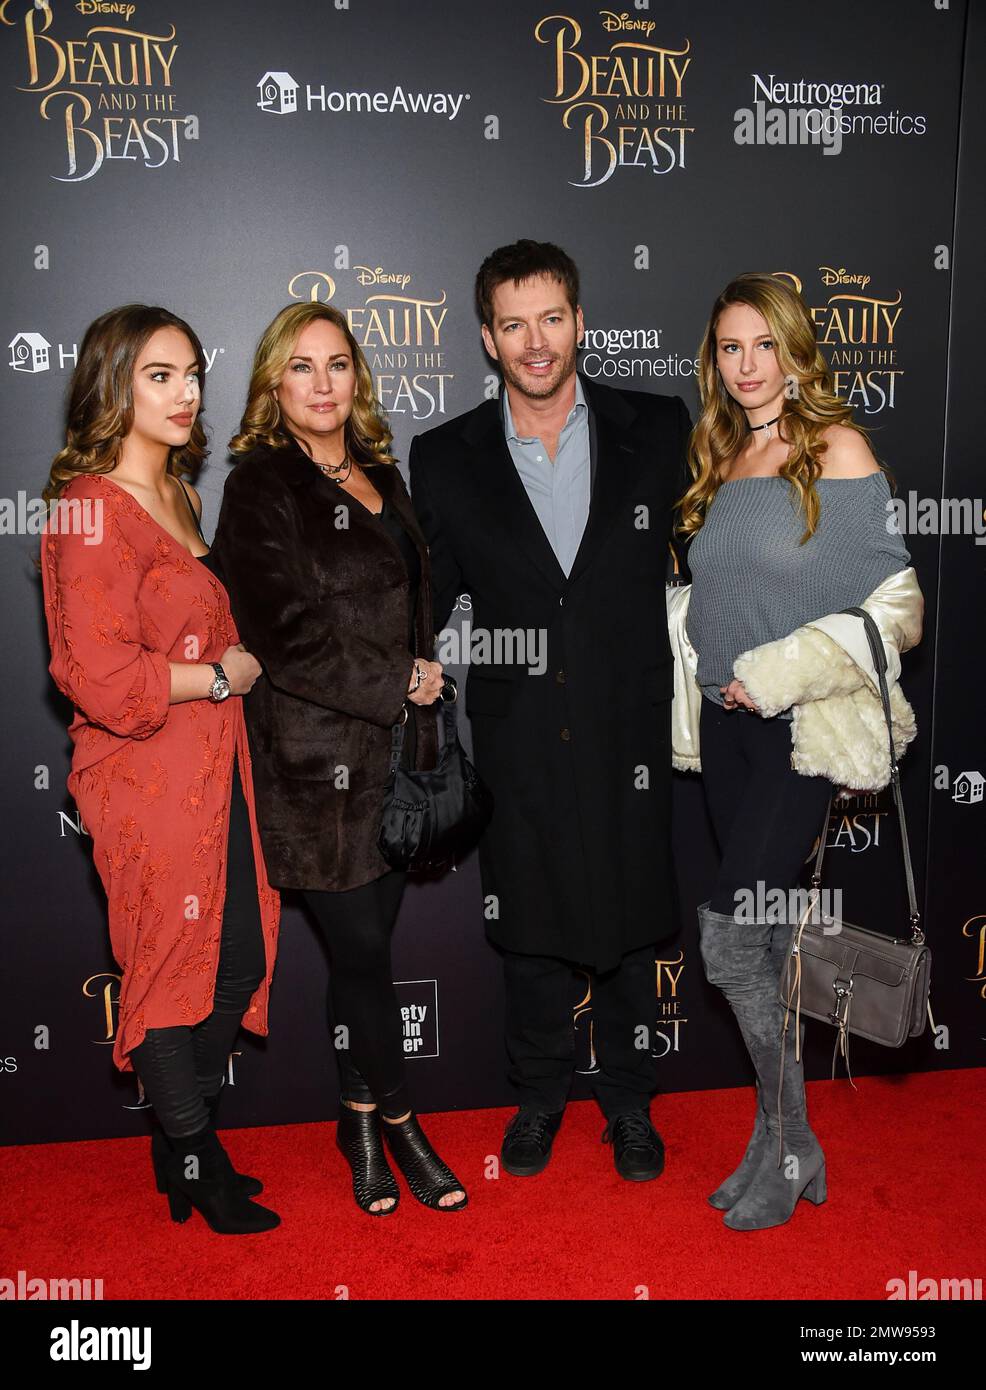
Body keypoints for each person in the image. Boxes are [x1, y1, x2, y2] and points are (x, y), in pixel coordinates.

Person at [409, 240, 691, 1182]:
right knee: (526, 927)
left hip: (629, 728)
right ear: (488, 338)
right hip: (520, 733)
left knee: (629, 921)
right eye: (514, 323)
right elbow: (427, 597)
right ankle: (537, 1099)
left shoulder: (658, 427)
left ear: (580, 321)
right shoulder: (444, 456)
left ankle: (630, 1106)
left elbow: (717, 555)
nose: (537, 341)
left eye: (553, 317)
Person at [671, 271, 923, 1230]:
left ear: (794, 349)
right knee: (764, 946)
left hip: (794, 734)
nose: (746, 366)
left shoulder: (837, 449)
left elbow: (898, 606)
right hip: (724, 734)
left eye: (763, 346)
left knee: (735, 937)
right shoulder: (723, 457)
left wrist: (780, 670)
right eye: (730, 348)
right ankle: (782, 1138)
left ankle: (790, 1141)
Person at [211, 302, 466, 1215]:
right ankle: (402, 1126)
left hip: (398, 762)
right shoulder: (259, 487)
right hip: (315, 772)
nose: (323, 384)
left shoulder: (382, 475)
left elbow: (409, 605)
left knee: (367, 960)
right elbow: (283, 634)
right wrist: (398, 679)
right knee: (363, 958)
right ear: (273, 385)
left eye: (338, 365)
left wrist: (419, 694)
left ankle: (354, 1118)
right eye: (302, 368)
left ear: (358, 376)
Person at [41, 304, 281, 1235]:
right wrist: (220, 674)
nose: (186, 395)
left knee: (235, 960)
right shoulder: (90, 509)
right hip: (143, 774)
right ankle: (197, 1157)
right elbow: (96, 678)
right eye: (160, 376)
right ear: (114, 386)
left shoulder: (180, 494)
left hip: (216, 769)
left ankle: (181, 1142)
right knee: (167, 964)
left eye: (191, 376)